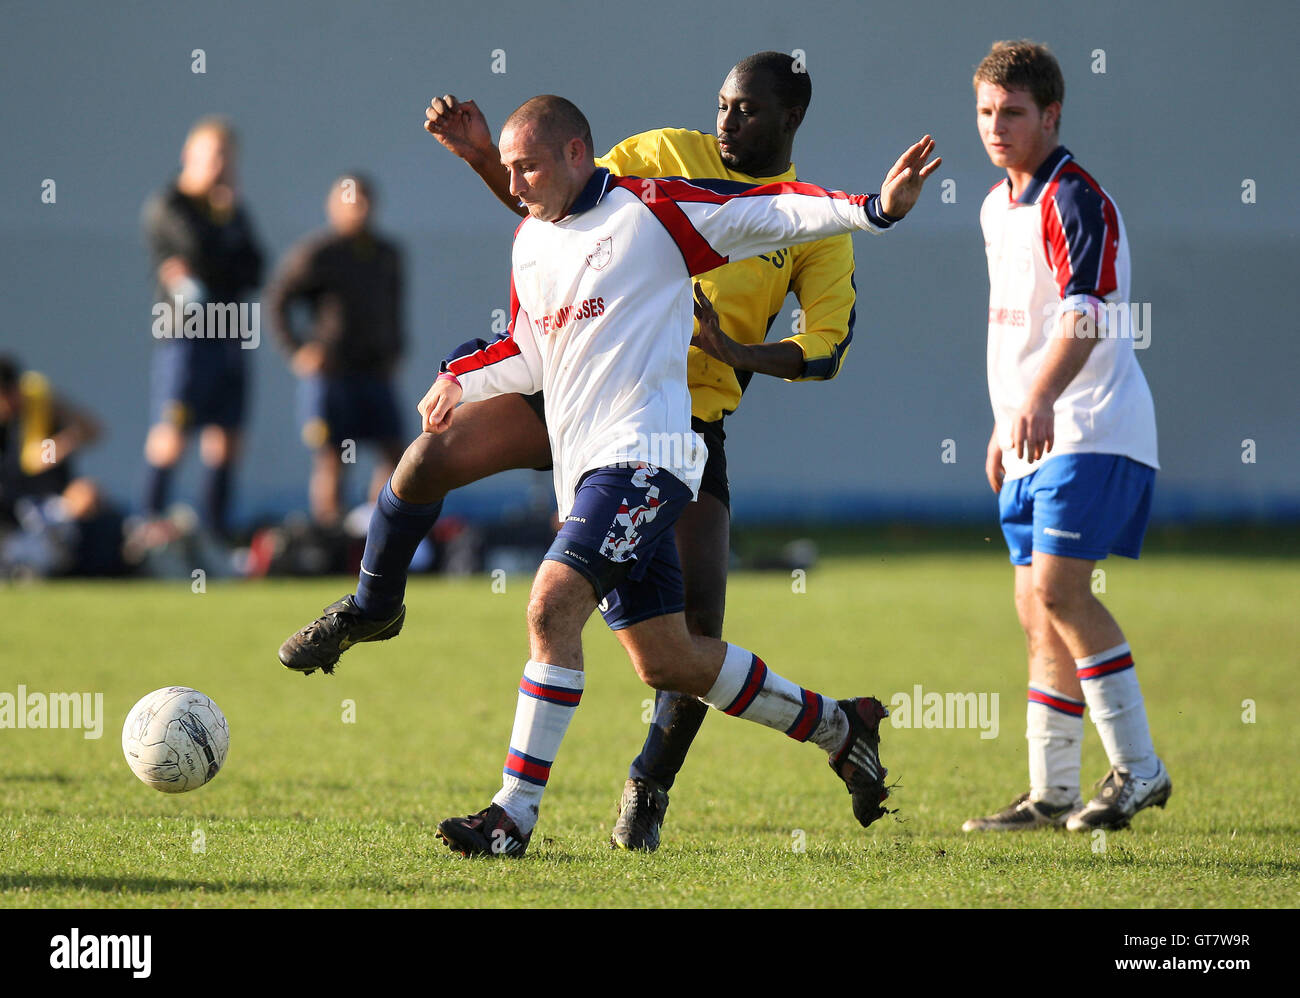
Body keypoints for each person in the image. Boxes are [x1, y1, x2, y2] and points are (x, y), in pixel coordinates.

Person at [279, 53, 893, 853]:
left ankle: (641, 791)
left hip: (673, 426)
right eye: (721, 104)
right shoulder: (662, 158)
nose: (725, 121)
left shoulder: (793, 227)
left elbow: (825, 348)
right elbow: (563, 206)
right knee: (426, 457)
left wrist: (736, 349)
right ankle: (372, 604)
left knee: (680, 643)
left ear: (791, 118)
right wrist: (479, 162)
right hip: (569, 399)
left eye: (744, 109)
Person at [419, 94, 938, 856]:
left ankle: (514, 814)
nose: (514, 182)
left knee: (550, 607)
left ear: (575, 155)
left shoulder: (655, 206)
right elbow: (527, 351)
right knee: (670, 658)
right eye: (508, 167)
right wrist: (459, 374)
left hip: (649, 458)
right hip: (589, 466)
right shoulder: (534, 243)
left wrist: (874, 209)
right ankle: (839, 724)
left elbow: (776, 209)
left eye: (526, 165)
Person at [962, 41, 1169, 834]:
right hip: (1033, 433)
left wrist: (1039, 399)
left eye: (1012, 112)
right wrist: (1003, 421)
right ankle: (1050, 793)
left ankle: (1140, 770)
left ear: (1051, 114)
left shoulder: (1076, 199)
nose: (996, 126)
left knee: (1060, 592)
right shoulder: (993, 206)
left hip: (1092, 427)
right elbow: (1020, 326)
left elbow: (1085, 314)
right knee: (1034, 608)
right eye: (985, 111)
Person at [141, 116, 264, 539]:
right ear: (189, 156)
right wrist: (219, 254)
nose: (220, 166)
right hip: (186, 338)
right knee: (173, 432)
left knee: (226, 438)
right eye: (213, 156)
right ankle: (149, 523)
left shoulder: (232, 210)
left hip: (230, 333)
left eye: (227, 157)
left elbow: (255, 268)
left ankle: (216, 531)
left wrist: (220, 255)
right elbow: (199, 252)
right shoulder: (169, 205)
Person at [267, 174, 406, 526]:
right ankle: (330, 534)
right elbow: (277, 300)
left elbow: (394, 308)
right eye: (349, 201)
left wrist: (394, 349)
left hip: (374, 372)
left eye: (363, 200)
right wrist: (298, 350)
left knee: (397, 453)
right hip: (334, 375)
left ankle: (380, 527)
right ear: (334, 206)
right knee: (335, 457)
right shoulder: (320, 253)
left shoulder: (386, 254)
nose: (357, 209)